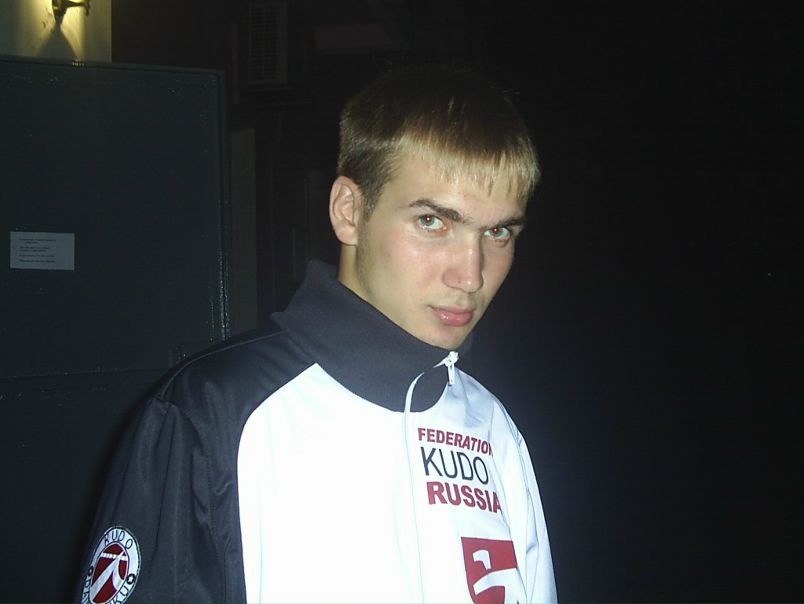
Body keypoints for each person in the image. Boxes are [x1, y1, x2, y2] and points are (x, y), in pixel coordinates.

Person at [75, 65, 557, 604]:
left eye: (497, 232)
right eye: (432, 222)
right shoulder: (215, 413)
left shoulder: (493, 426)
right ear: (349, 212)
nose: (470, 275)